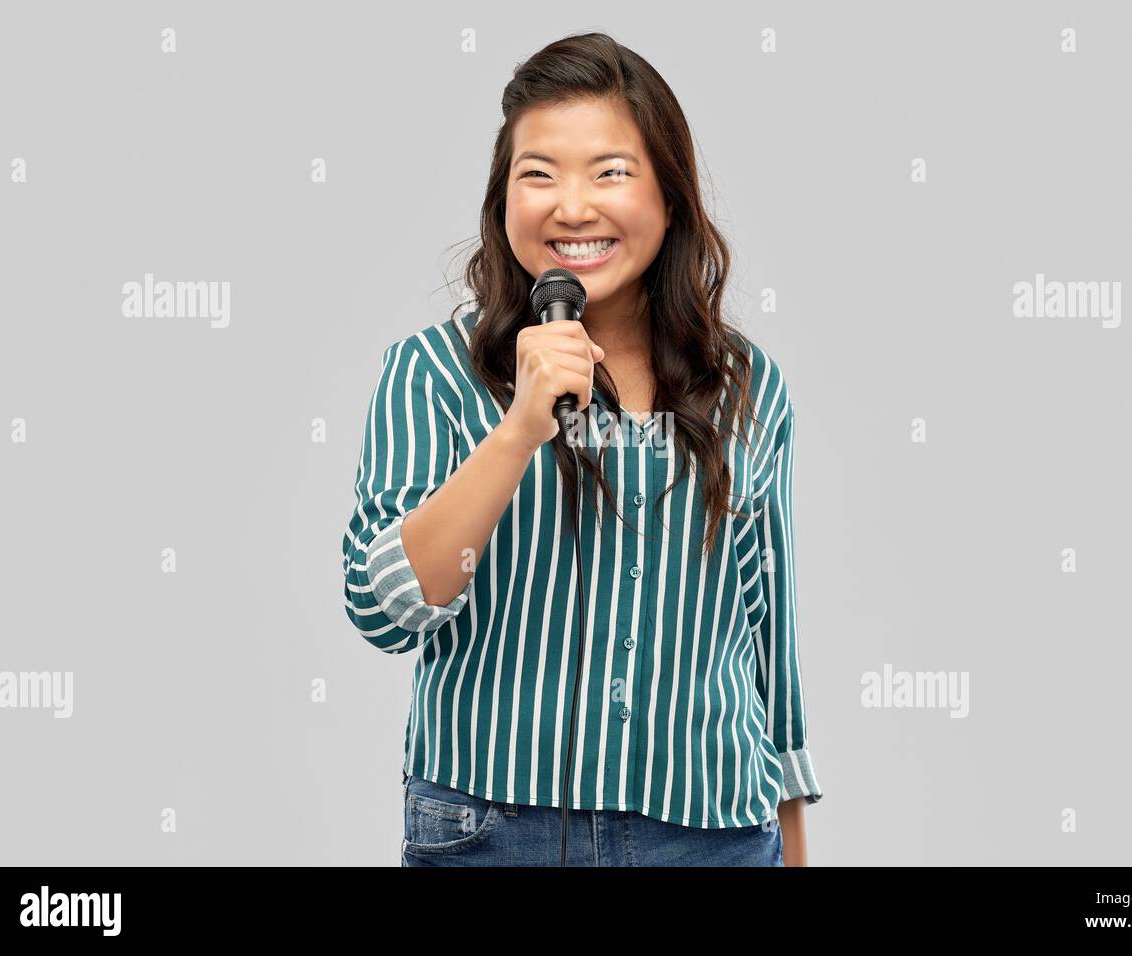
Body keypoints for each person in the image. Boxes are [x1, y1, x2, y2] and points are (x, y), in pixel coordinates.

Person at [342, 31, 822, 867]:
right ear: (502, 203)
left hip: (712, 833)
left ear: (669, 198)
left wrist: (793, 838)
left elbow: (766, 629)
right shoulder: (430, 372)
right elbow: (385, 610)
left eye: (610, 172)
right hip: (495, 832)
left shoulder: (746, 384)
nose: (572, 206)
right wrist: (519, 427)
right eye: (538, 174)